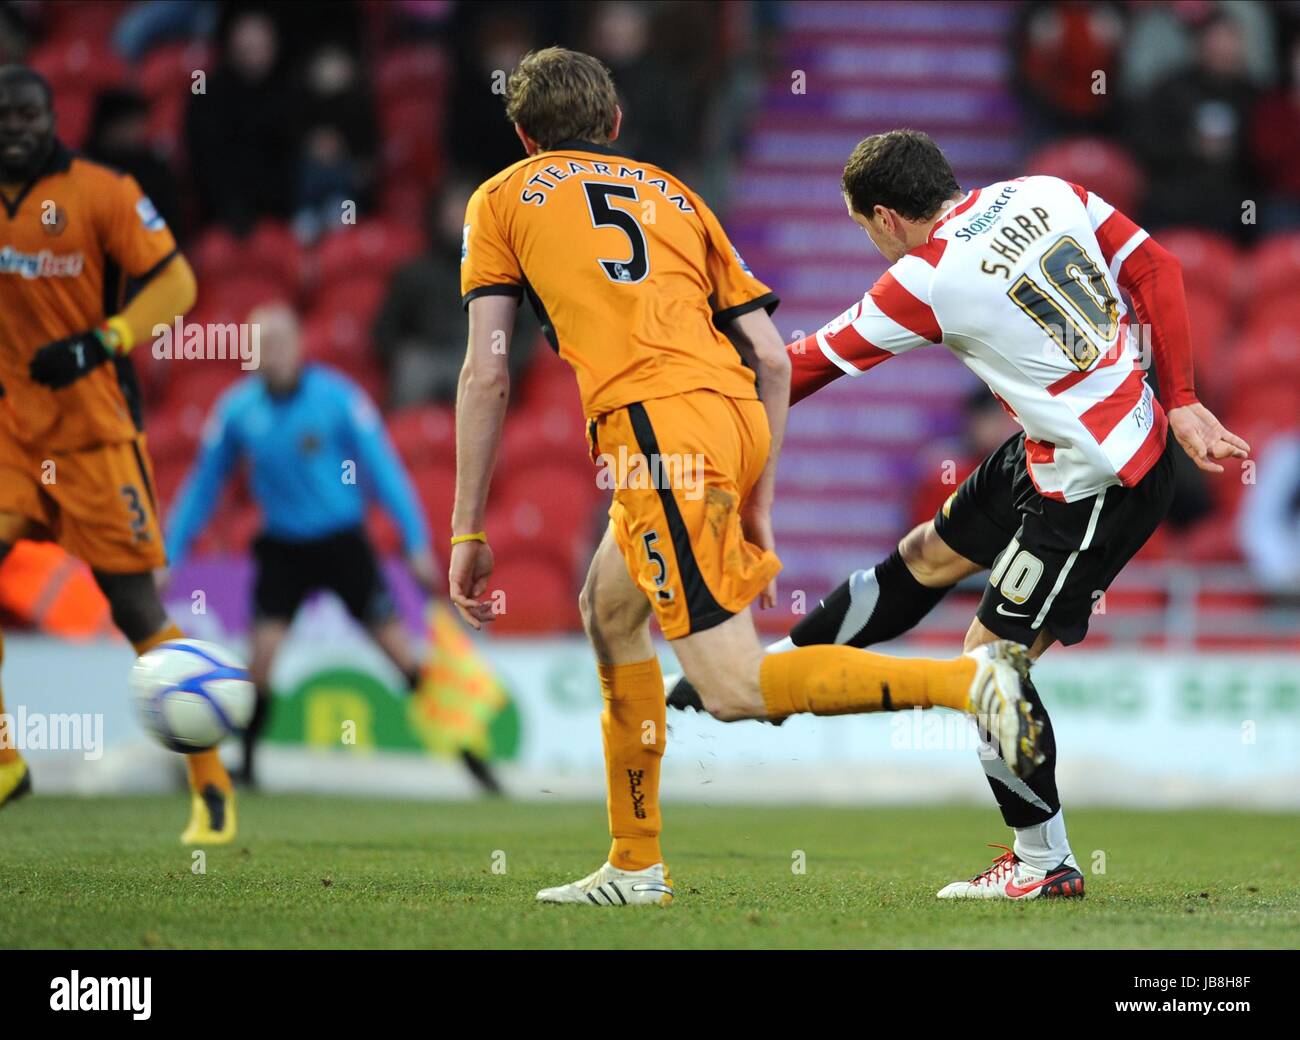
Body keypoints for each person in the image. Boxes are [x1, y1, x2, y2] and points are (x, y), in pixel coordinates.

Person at [450, 49, 1044, 907]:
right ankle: (633, 863)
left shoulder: (500, 198)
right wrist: (758, 494)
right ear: (615, 126)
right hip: (726, 416)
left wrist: (469, 527)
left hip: (654, 434)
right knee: (609, 611)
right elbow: (769, 356)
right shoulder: (675, 193)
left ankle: (964, 684)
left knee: (731, 690)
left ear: (520, 134)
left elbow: (488, 374)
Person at [669, 129, 1250, 899]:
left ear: (883, 217)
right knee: (924, 556)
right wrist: (1179, 397)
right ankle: (771, 677)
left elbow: (798, 366)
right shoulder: (1044, 192)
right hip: (1064, 441)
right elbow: (1156, 266)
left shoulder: (925, 277)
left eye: (862, 230)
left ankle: (1043, 862)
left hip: (1098, 479)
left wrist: (683, 398)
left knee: (988, 662)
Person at [0, 66, 234, 842]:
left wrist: (103, 341)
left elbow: (177, 284)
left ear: (51, 116)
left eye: (29, 114)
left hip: (94, 433)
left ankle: (211, 791)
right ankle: (5, 762)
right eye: (3, 115)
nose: (16, 127)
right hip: (9, 434)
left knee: (137, 612)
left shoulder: (102, 190)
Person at [165, 301, 499, 793]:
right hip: (282, 549)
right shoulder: (237, 411)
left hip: (344, 545)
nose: (270, 354)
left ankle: (473, 762)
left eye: (278, 343)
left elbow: (384, 471)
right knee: (261, 659)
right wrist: (169, 555)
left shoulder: (339, 400)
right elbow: (202, 486)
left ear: (299, 345)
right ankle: (249, 768)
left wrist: (415, 542)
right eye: (260, 346)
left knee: (402, 658)